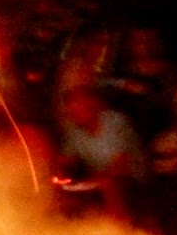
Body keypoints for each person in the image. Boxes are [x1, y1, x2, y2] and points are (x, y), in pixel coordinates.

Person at [57, 86, 145, 222]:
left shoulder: (116, 123)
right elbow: (67, 161)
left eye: (79, 107)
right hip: (98, 179)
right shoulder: (74, 129)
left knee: (110, 185)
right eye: (71, 110)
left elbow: (119, 169)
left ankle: (121, 231)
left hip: (132, 178)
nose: (74, 113)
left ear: (93, 105)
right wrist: (59, 174)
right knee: (62, 190)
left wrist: (87, 184)